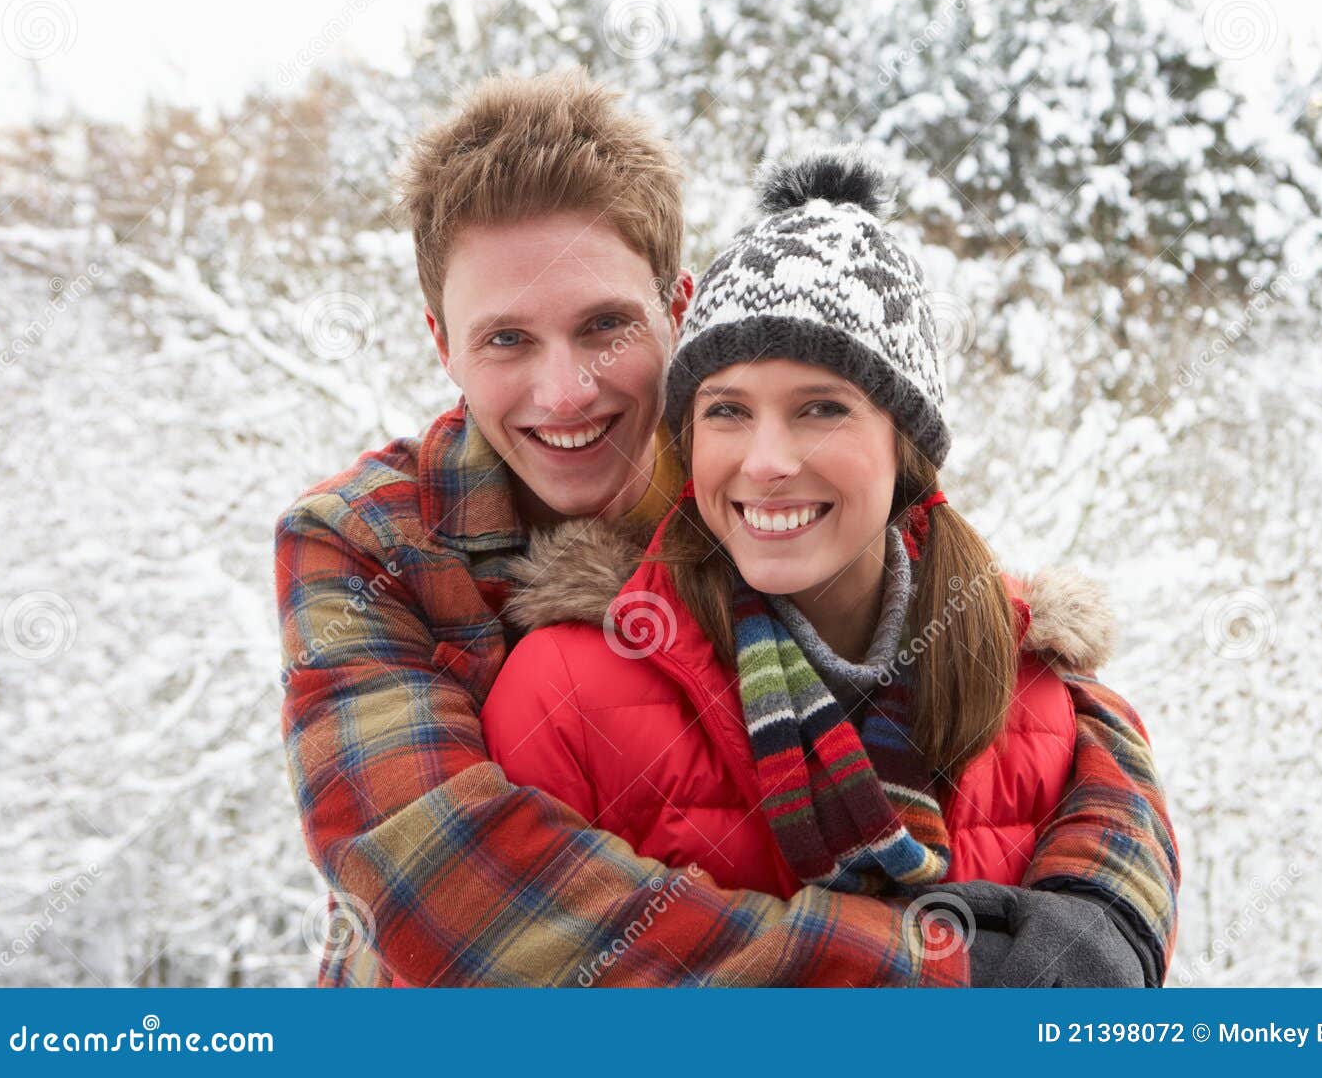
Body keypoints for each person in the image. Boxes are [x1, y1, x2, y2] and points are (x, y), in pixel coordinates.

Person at [276, 71, 973, 986]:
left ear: (676, 307)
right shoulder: (362, 541)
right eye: (506, 340)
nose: (566, 392)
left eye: (605, 325)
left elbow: (1027, 672)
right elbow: (445, 884)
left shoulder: (760, 488)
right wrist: (939, 980)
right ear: (441, 341)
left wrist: (1105, 900)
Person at [481, 148, 1180, 986]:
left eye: (821, 408)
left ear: (905, 446)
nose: (768, 460)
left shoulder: (1030, 686)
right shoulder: (563, 692)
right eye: (728, 411)